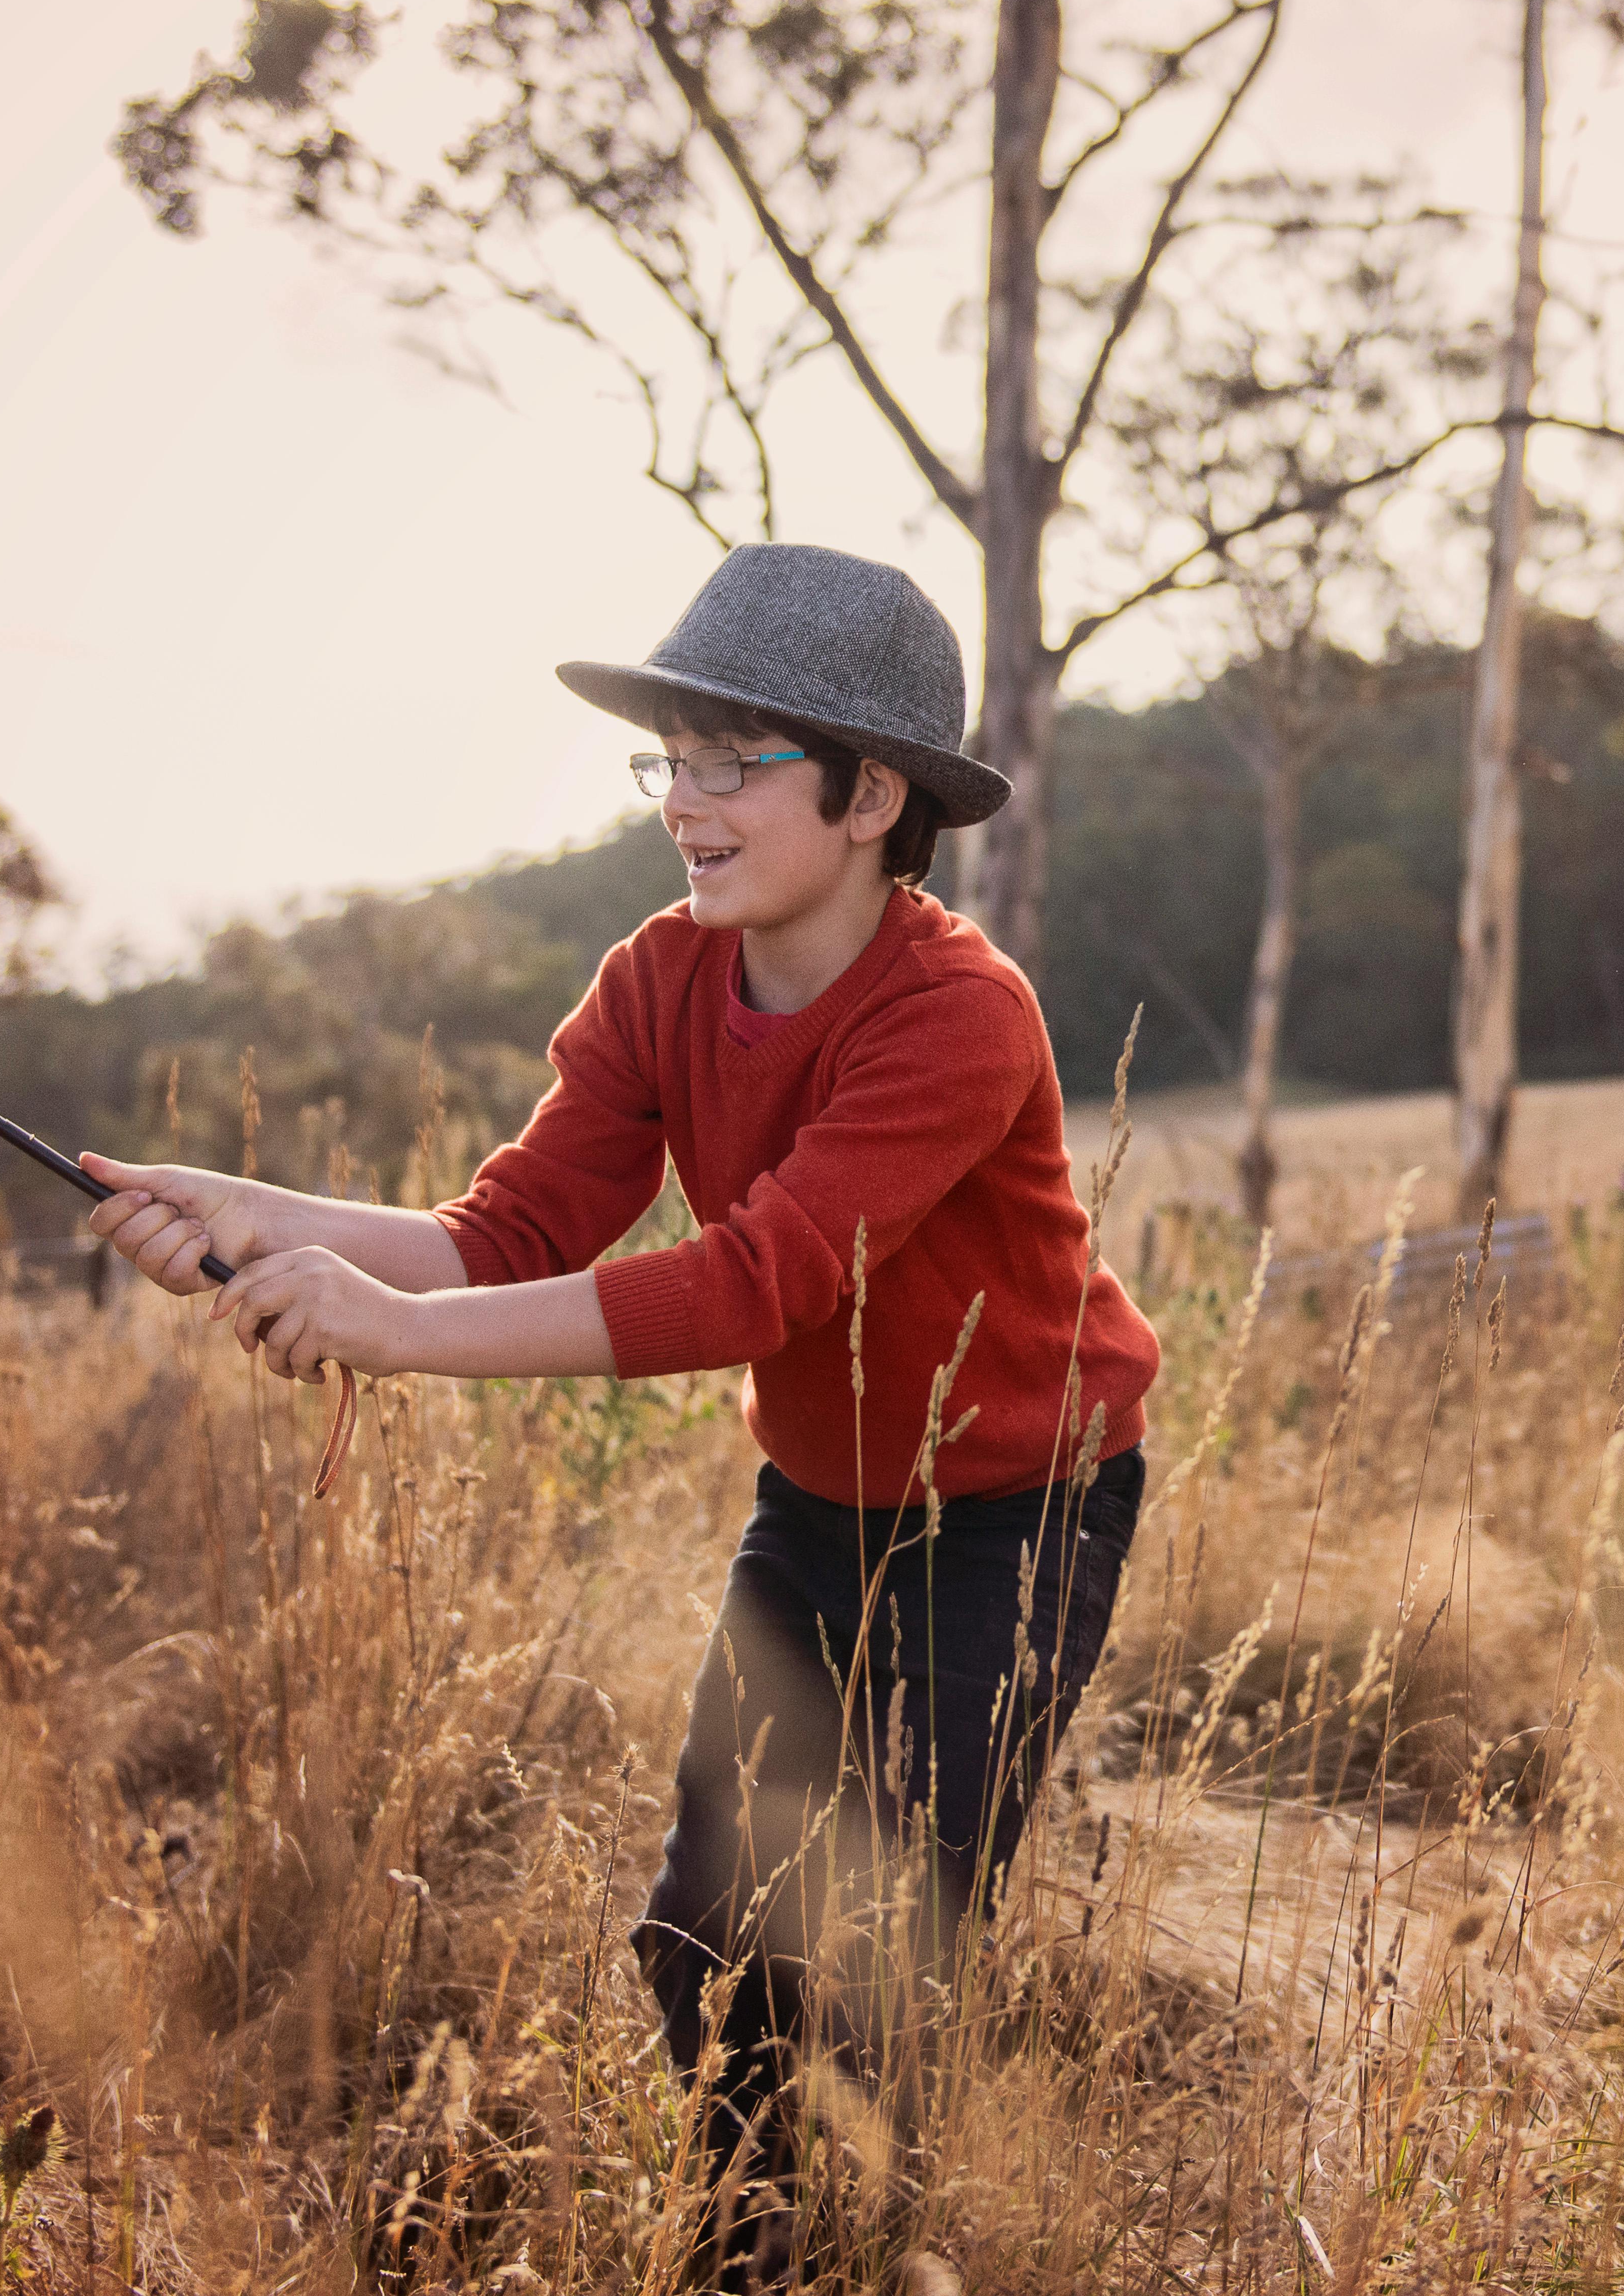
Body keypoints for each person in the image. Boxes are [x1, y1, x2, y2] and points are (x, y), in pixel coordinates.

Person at [81, 542, 1160, 2286]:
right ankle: (749, 2258)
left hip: (1017, 1511)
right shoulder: (659, 981)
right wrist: (251, 1210)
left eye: (733, 762)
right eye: (669, 759)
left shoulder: (961, 1012)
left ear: (874, 794)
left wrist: (391, 1336)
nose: (684, 802)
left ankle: (857, 2255)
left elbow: (756, 1284)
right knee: (705, 1944)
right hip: (820, 1504)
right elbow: (500, 1234)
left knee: (884, 1952)